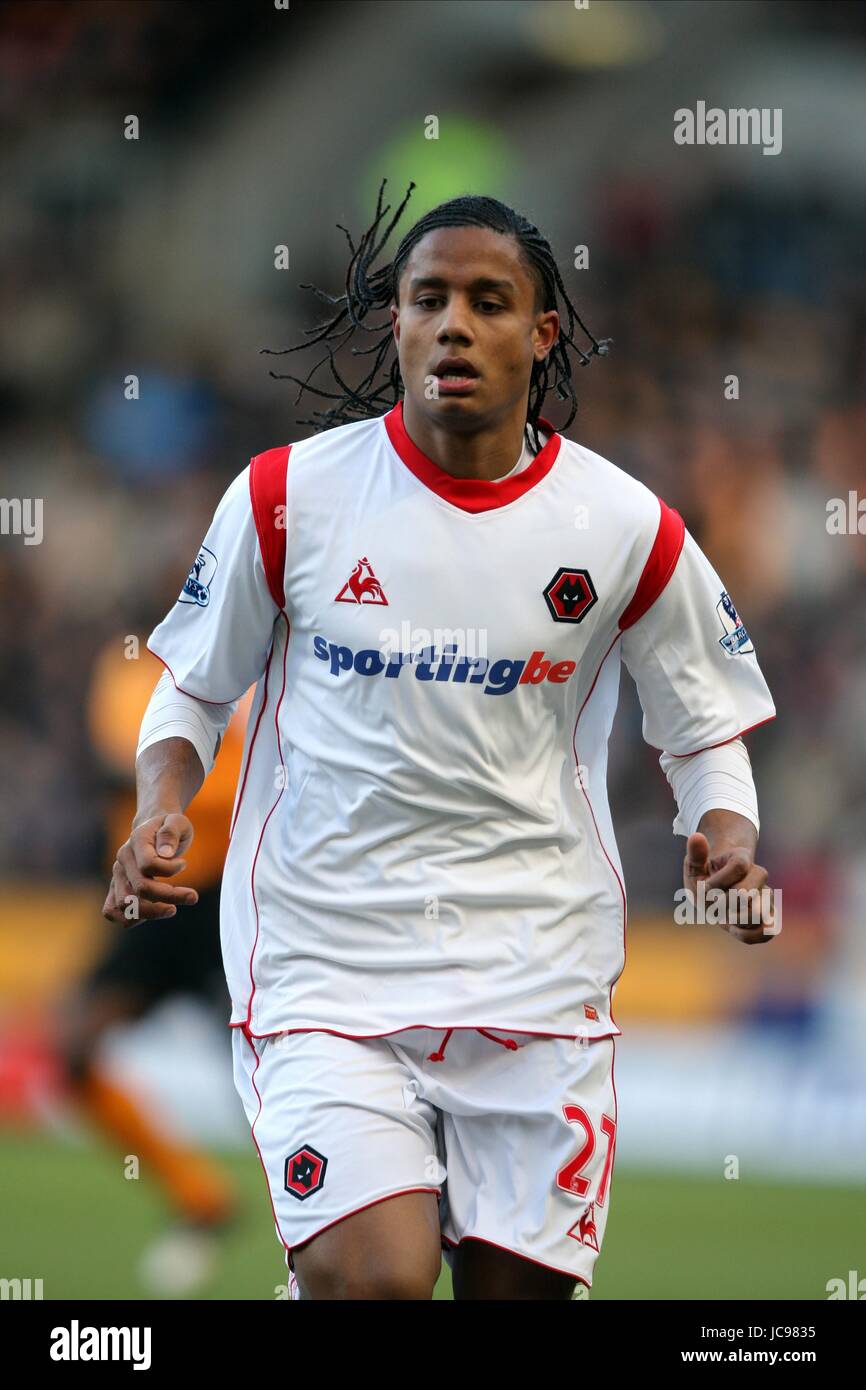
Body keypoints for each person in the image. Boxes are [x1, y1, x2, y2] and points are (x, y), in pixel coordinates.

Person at [102, 184, 777, 1300]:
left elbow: (705, 731)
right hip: (329, 973)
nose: (453, 324)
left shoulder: (624, 529)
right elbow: (190, 695)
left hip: (537, 985)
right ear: (396, 322)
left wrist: (725, 833)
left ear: (540, 331)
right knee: (374, 1281)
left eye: (487, 300)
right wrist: (160, 804)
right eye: (428, 299)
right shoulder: (287, 499)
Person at [60, 635, 251, 1294]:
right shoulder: (125, 662)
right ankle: (202, 1200)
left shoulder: (250, 663)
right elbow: (114, 758)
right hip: (152, 898)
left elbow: (241, 779)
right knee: (74, 1050)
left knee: (271, 1074)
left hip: (227, 896)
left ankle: (342, 1222)